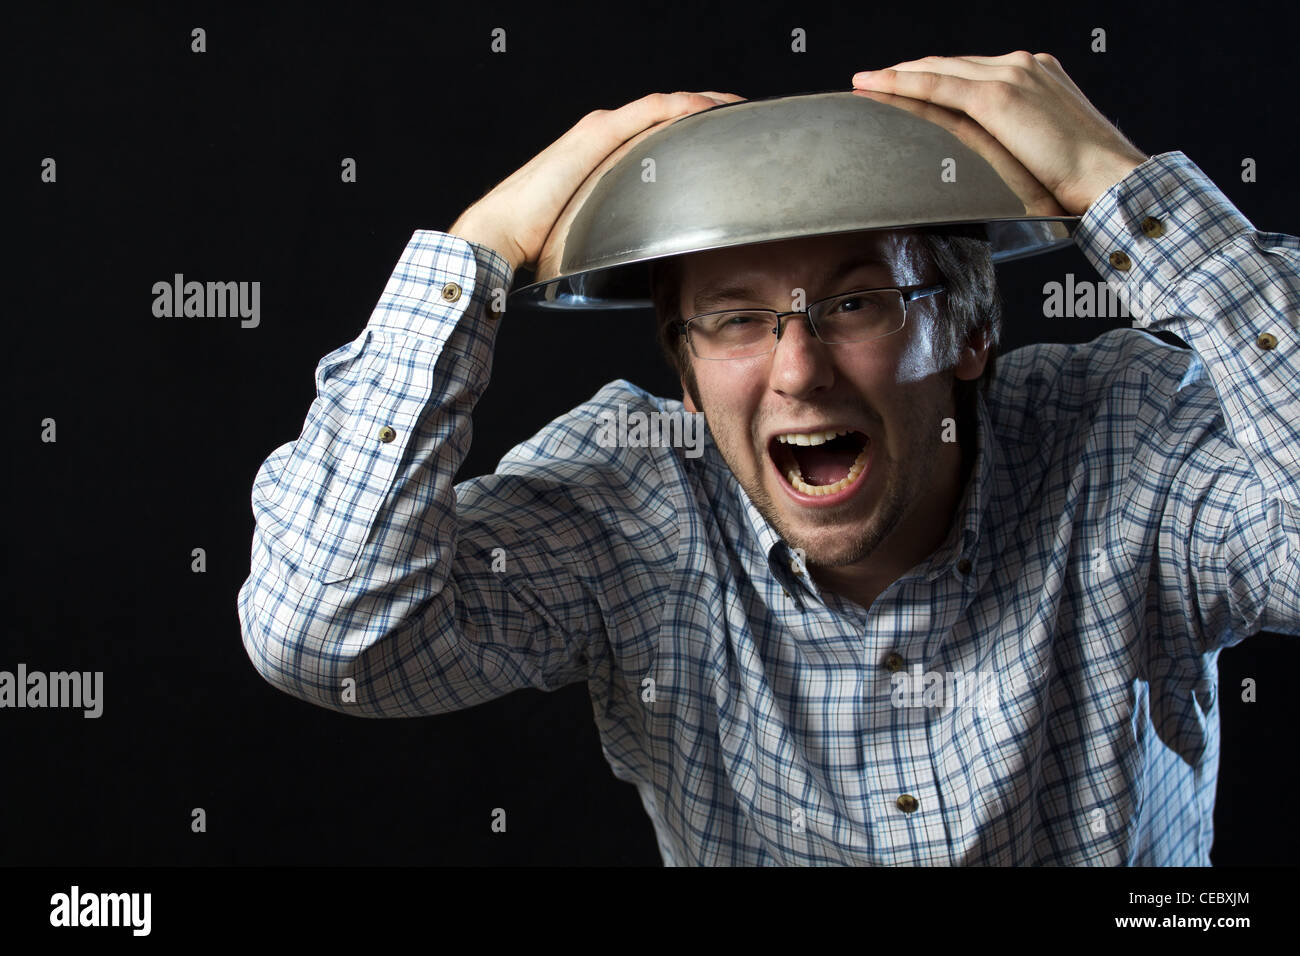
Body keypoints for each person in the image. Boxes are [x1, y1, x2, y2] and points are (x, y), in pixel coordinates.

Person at [238, 52, 1300, 865]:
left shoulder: (1125, 435)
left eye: (854, 301)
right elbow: (329, 633)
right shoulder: (633, 501)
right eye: (734, 319)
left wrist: (1127, 192)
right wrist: (475, 252)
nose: (797, 369)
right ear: (688, 376)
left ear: (971, 329)